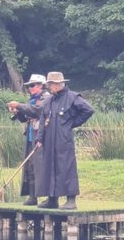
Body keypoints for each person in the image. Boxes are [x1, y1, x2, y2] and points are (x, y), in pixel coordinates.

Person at [35, 72, 94, 210]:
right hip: (49, 140)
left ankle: (71, 200)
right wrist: (39, 138)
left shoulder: (72, 97)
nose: (49, 86)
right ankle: (52, 199)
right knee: (49, 167)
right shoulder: (48, 100)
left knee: (67, 167)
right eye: (49, 83)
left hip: (64, 140)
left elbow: (88, 110)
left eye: (51, 84)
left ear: (59, 84)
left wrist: (72, 124)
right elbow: (43, 119)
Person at [8, 74, 50, 206]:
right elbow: (25, 118)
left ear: (41, 85)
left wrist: (19, 105)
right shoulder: (32, 99)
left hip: (42, 138)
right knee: (30, 167)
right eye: (29, 86)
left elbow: (37, 111)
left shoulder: (47, 97)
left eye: (32, 85)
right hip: (30, 137)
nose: (30, 88)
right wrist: (17, 111)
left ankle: (50, 198)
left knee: (42, 167)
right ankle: (32, 197)